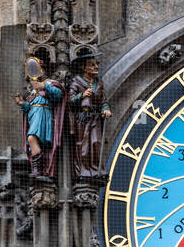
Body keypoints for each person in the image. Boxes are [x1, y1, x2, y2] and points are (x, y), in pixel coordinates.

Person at [14, 64, 65, 180]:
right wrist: (23, 104)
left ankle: (38, 168)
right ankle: (38, 169)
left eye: (39, 70)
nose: (37, 73)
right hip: (34, 116)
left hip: (43, 114)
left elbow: (59, 95)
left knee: (31, 138)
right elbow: (29, 108)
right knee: (33, 141)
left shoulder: (50, 83)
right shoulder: (33, 91)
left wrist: (44, 86)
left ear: (44, 70)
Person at [68, 46, 111, 180]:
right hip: (82, 118)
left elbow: (103, 100)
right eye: (91, 65)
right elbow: (70, 100)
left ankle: (97, 170)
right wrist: (82, 95)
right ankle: (84, 170)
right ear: (84, 68)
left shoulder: (99, 83)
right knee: (84, 144)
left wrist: (106, 108)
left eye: (96, 64)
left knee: (96, 142)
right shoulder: (77, 81)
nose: (95, 67)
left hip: (95, 118)